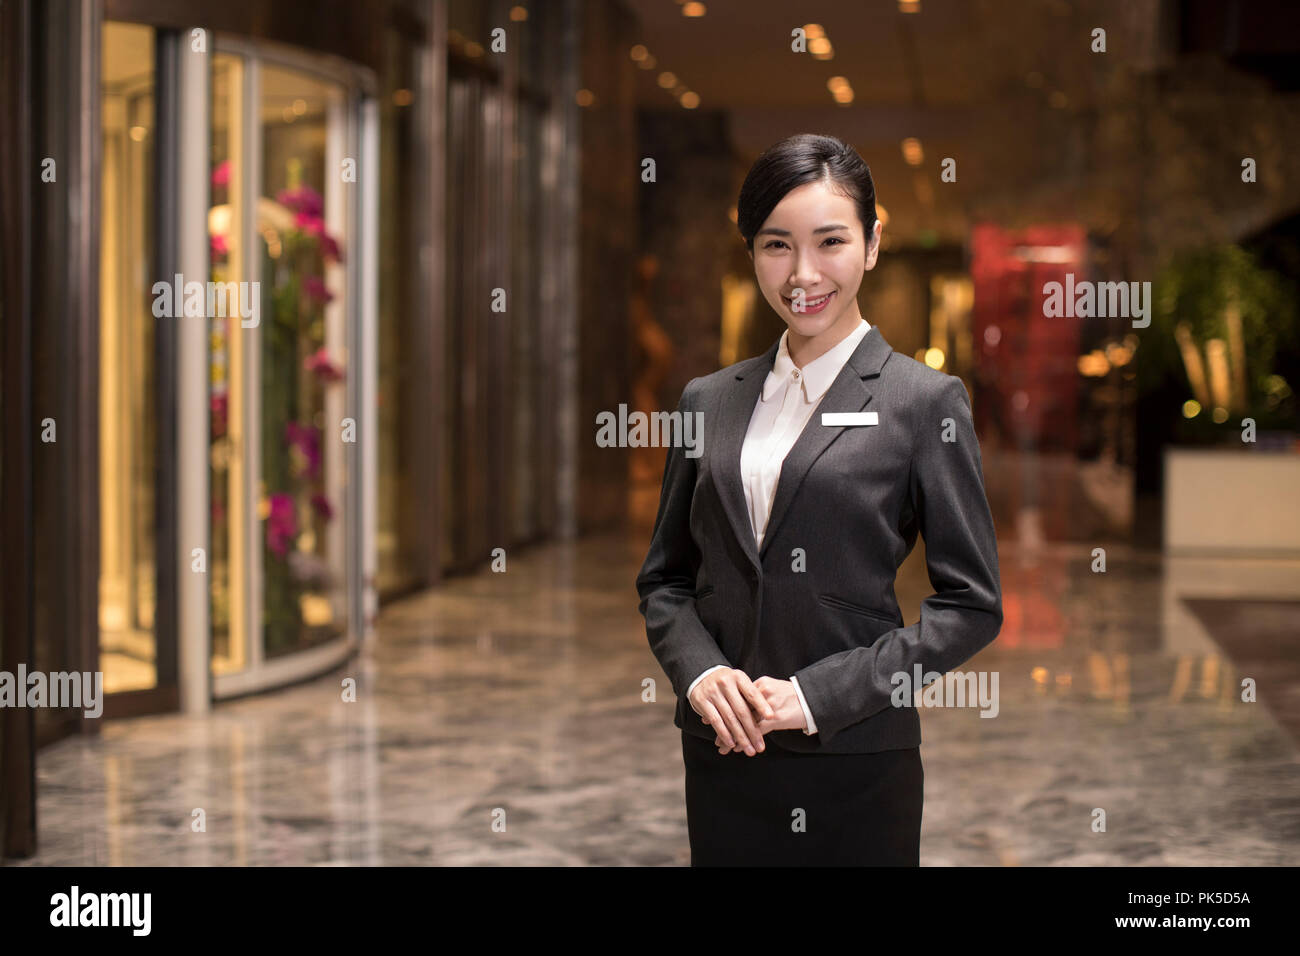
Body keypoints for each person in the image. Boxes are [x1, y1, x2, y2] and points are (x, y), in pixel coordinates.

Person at [635, 133, 1003, 866]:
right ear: (750, 252)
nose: (802, 274)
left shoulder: (922, 402)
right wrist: (702, 673)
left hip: (855, 753)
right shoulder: (706, 400)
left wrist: (816, 697)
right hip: (725, 749)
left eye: (829, 241)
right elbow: (666, 580)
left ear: (871, 244)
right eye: (776, 245)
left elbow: (973, 605)